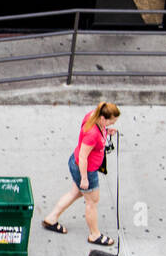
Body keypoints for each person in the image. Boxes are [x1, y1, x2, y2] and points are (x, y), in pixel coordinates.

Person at [41, 102, 120, 246]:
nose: (112, 123)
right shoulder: (92, 134)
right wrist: (84, 178)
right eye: (111, 121)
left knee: (75, 193)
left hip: (77, 164)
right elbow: (83, 156)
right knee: (92, 202)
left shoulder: (92, 117)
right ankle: (95, 235)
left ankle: (51, 218)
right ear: (103, 118)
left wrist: (106, 132)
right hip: (85, 170)